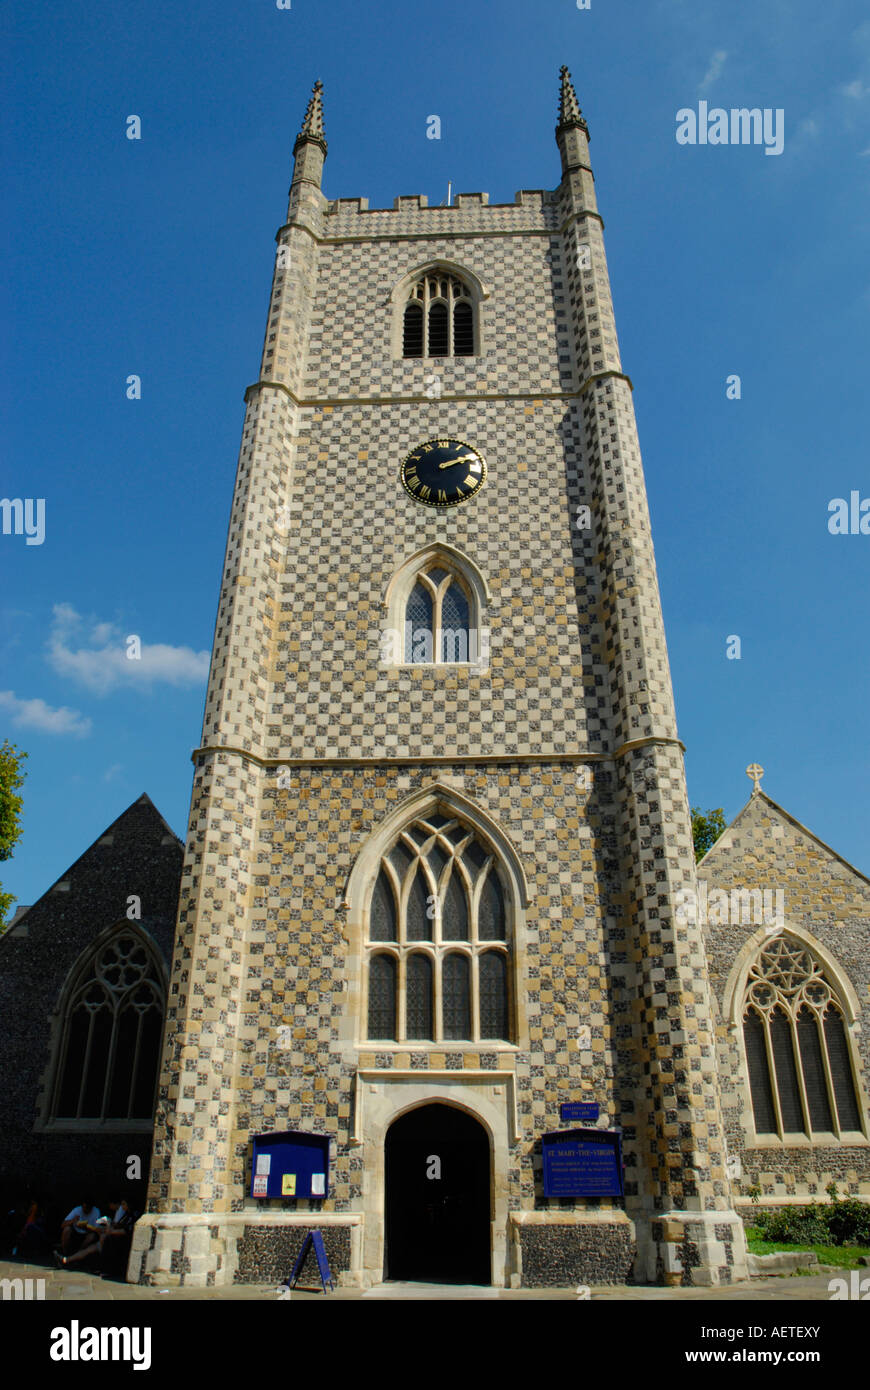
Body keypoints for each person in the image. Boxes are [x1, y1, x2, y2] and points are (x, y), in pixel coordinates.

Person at [56, 1198, 101, 1266]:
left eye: (87, 1208)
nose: (85, 1210)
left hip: (86, 1234)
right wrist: (73, 1221)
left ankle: (76, 1257)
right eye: (84, 1207)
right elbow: (63, 1224)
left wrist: (86, 1227)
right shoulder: (77, 1210)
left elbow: (97, 1230)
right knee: (67, 1229)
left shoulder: (96, 1212)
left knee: (92, 1236)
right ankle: (66, 1253)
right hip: (75, 1233)